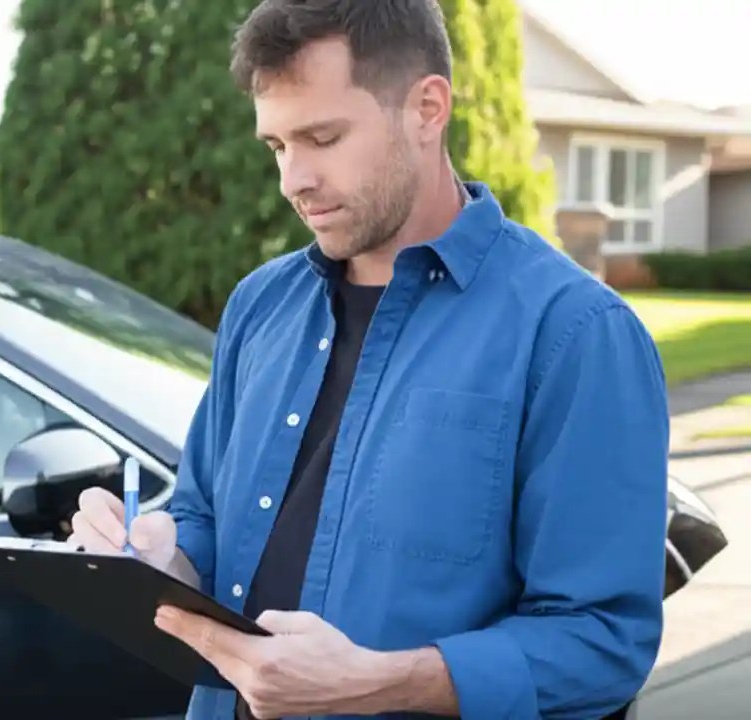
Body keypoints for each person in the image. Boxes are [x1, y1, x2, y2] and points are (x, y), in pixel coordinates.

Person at [67, 0, 671, 718]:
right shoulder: (259, 307)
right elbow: (203, 515)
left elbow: (604, 642)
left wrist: (379, 680)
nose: (294, 178)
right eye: (277, 147)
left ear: (427, 108)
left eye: (322, 137)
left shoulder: (575, 333)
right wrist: (159, 561)